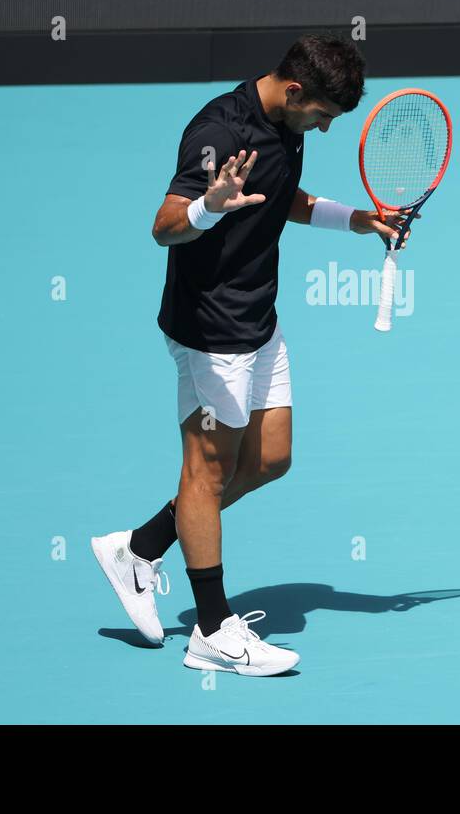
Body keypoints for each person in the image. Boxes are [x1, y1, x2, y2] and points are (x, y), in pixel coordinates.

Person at [92, 34, 407, 676]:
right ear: (295, 92)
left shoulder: (283, 127)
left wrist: (359, 220)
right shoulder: (216, 131)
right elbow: (164, 226)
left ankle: (140, 547)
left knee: (269, 459)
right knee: (206, 474)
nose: (321, 130)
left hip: (258, 319)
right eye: (321, 116)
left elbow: (281, 198)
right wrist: (209, 206)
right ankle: (211, 631)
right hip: (209, 330)